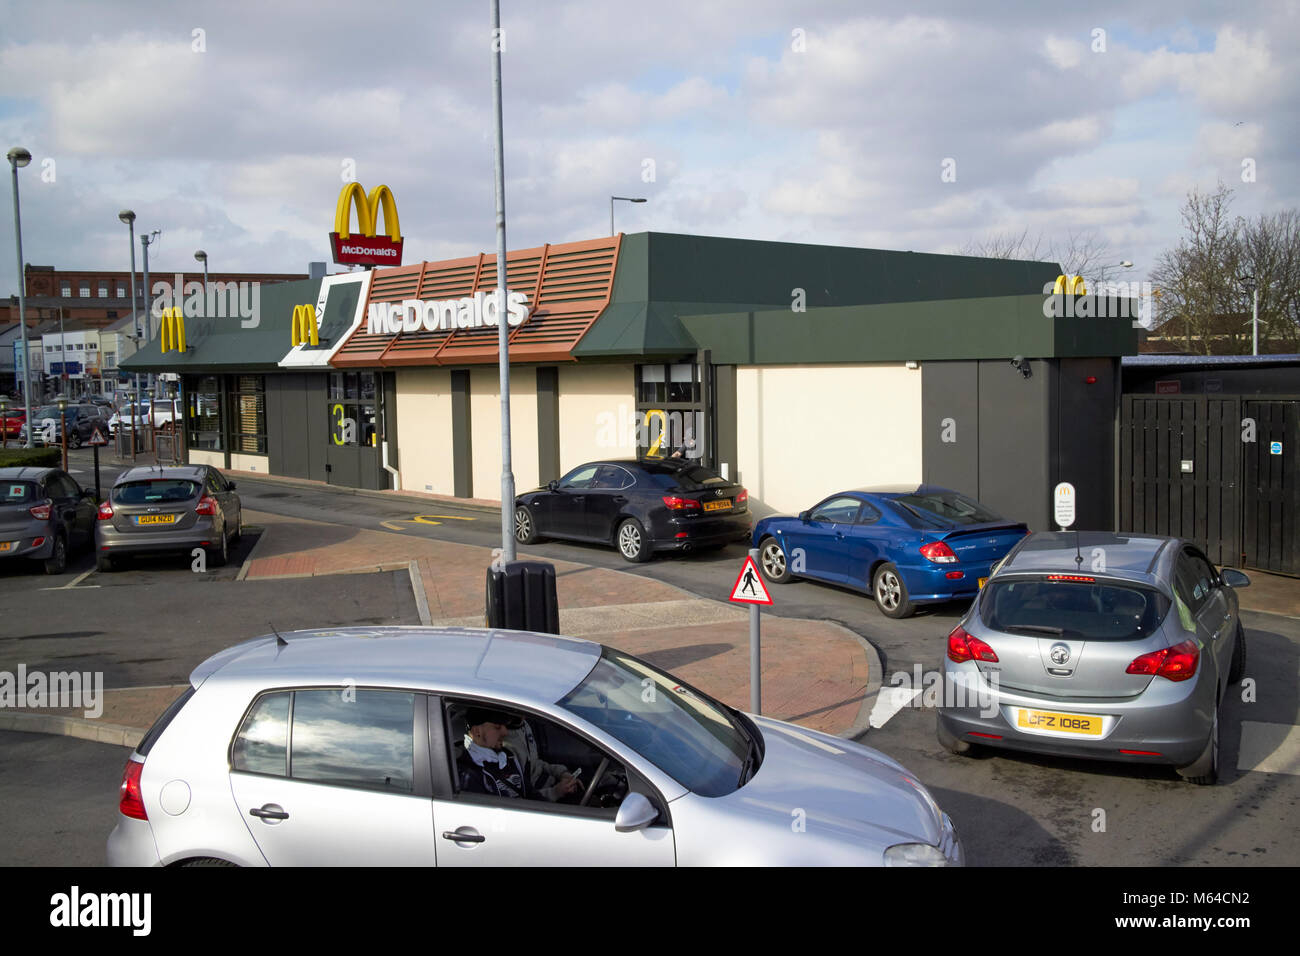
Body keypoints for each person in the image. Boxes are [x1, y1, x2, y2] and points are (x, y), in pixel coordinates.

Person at [456, 707, 580, 801]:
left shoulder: (507, 757)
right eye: (497, 727)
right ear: (477, 731)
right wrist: (555, 792)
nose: (505, 732)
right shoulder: (468, 773)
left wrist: (558, 790)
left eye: (505, 725)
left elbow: (530, 795)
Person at [506, 719, 582, 802]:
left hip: (548, 784)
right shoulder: (503, 742)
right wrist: (555, 792)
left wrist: (562, 773)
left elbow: (536, 762)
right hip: (540, 799)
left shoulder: (524, 725)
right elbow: (522, 799)